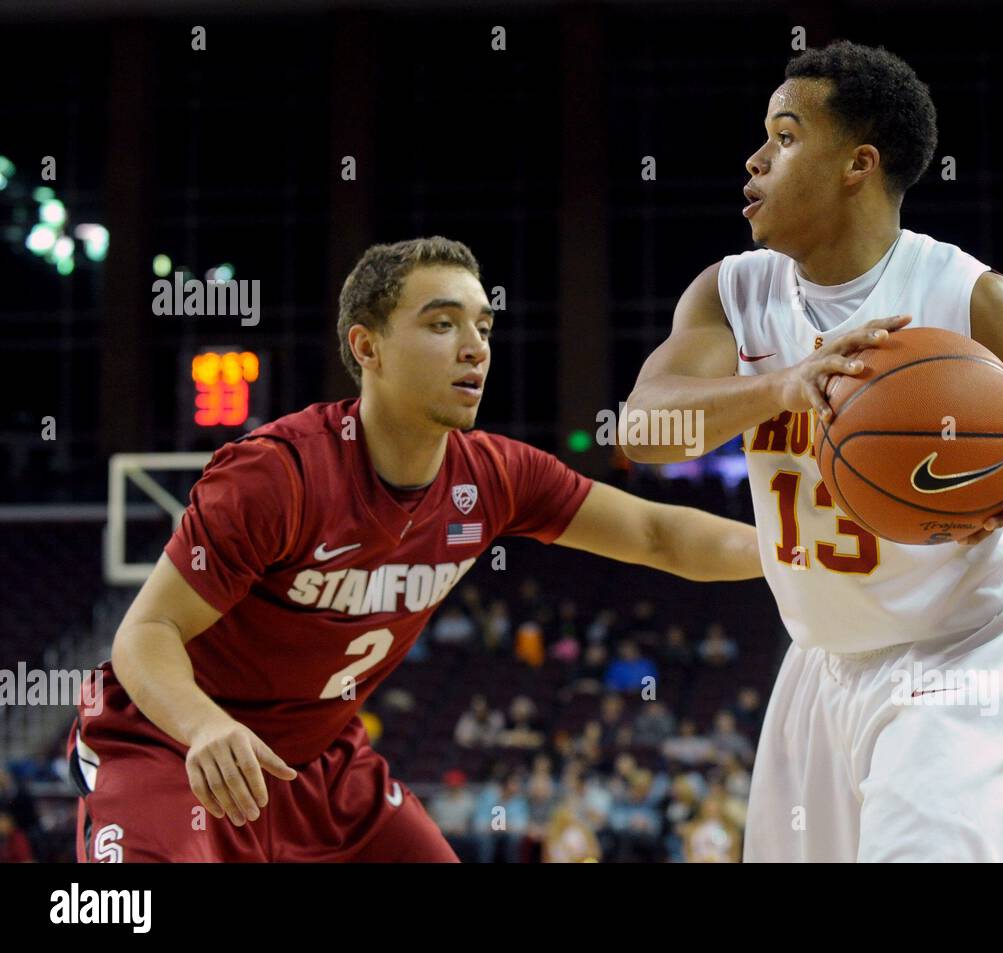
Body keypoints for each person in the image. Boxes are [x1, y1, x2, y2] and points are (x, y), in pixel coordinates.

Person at [67, 236, 761, 863]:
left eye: (483, 326)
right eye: (442, 323)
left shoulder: (494, 475)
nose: (475, 346)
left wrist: (802, 551)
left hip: (320, 764)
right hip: (174, 744)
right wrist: (205, 727)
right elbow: (145, 632)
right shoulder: (278, 475)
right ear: (366, 347)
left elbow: (657, 533)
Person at [623, 41, 1003, 862]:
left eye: (786, 136)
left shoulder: (976, 302)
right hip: (819, 665)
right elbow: (642, 433)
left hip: (958, 659)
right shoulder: (731, 292)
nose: (755, 158)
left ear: (858, 164)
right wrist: (781, 386)